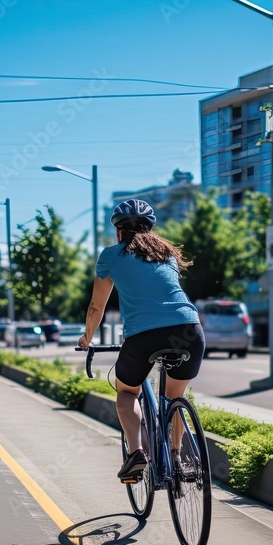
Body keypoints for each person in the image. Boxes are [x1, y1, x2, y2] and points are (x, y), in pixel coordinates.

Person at [79, 199, 205, 482]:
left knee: (126, 392)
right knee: (175, 397)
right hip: (189, 330)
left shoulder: (110, 256)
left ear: (118, 231)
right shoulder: (167, 254)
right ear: (150, 229)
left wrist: (88, 338)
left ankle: (136, 452)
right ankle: (177, 459)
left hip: (143, 336)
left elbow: (96, 307)